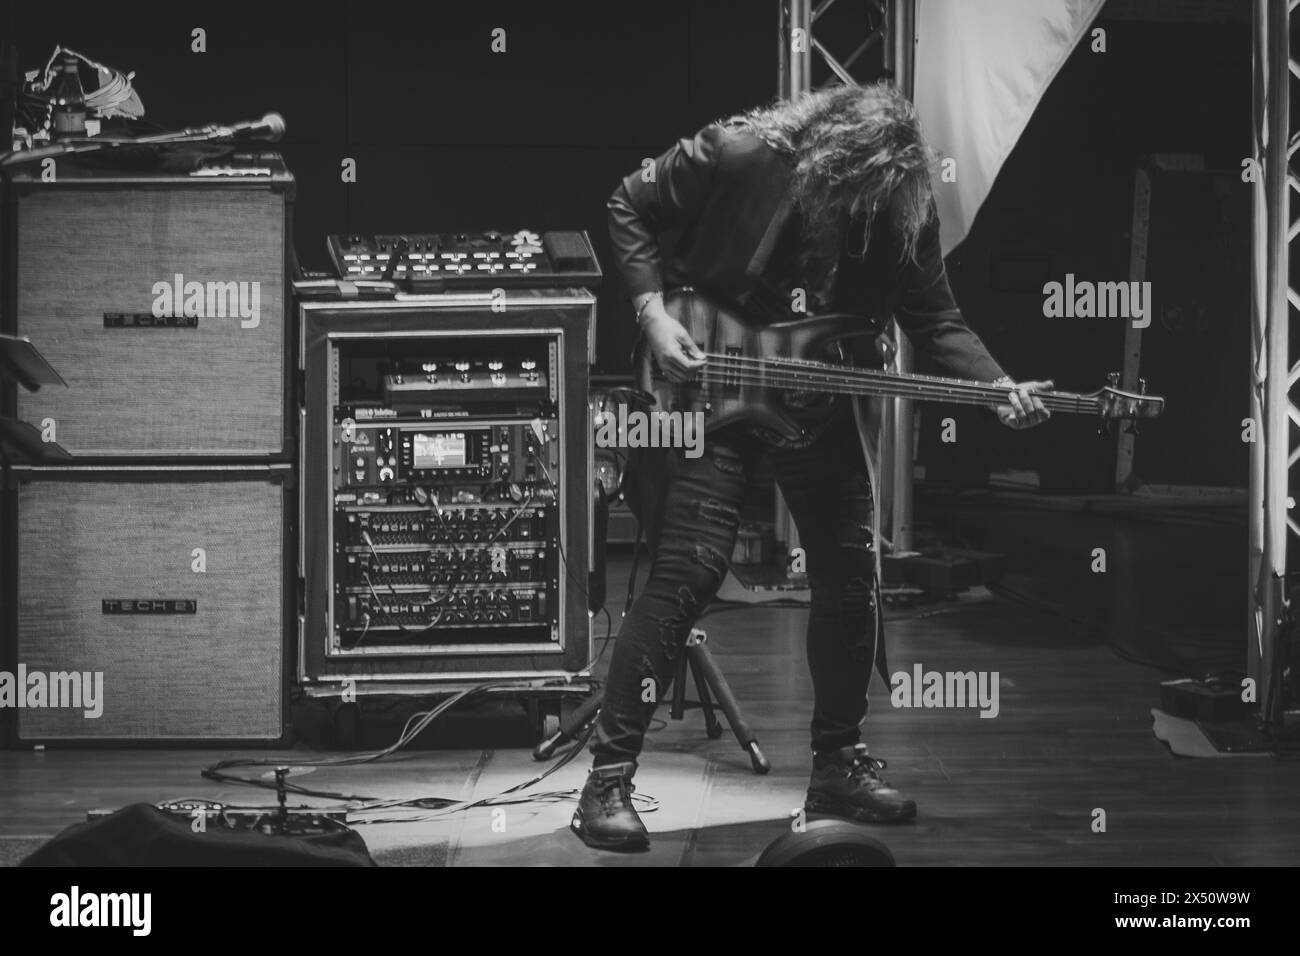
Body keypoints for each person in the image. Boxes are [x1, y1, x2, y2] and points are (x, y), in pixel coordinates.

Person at [571, 82, 1051, 852]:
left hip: (817, 396)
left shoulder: (900, 200)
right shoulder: (737, 152)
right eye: (854, 202)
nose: (867, 216)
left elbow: (937, 318)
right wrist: (651, 311)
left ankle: (837, 764)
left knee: (849, 571)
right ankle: (606, 783)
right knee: (689, 571)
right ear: (827, 163)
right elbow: (629, 202)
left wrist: (998, 388)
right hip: (703, 379)